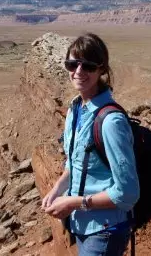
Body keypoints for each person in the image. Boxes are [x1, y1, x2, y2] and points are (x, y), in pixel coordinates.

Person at [41, 33, 140, 256]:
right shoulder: (75, 109)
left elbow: (127, 193)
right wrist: (57, 189)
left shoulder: (111, 122)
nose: (78, 72)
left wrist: (74, 203)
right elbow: (74, 163)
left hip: (105, 231)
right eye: (72, 64)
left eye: (88, 66)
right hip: (81, 225)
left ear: (102, 69)